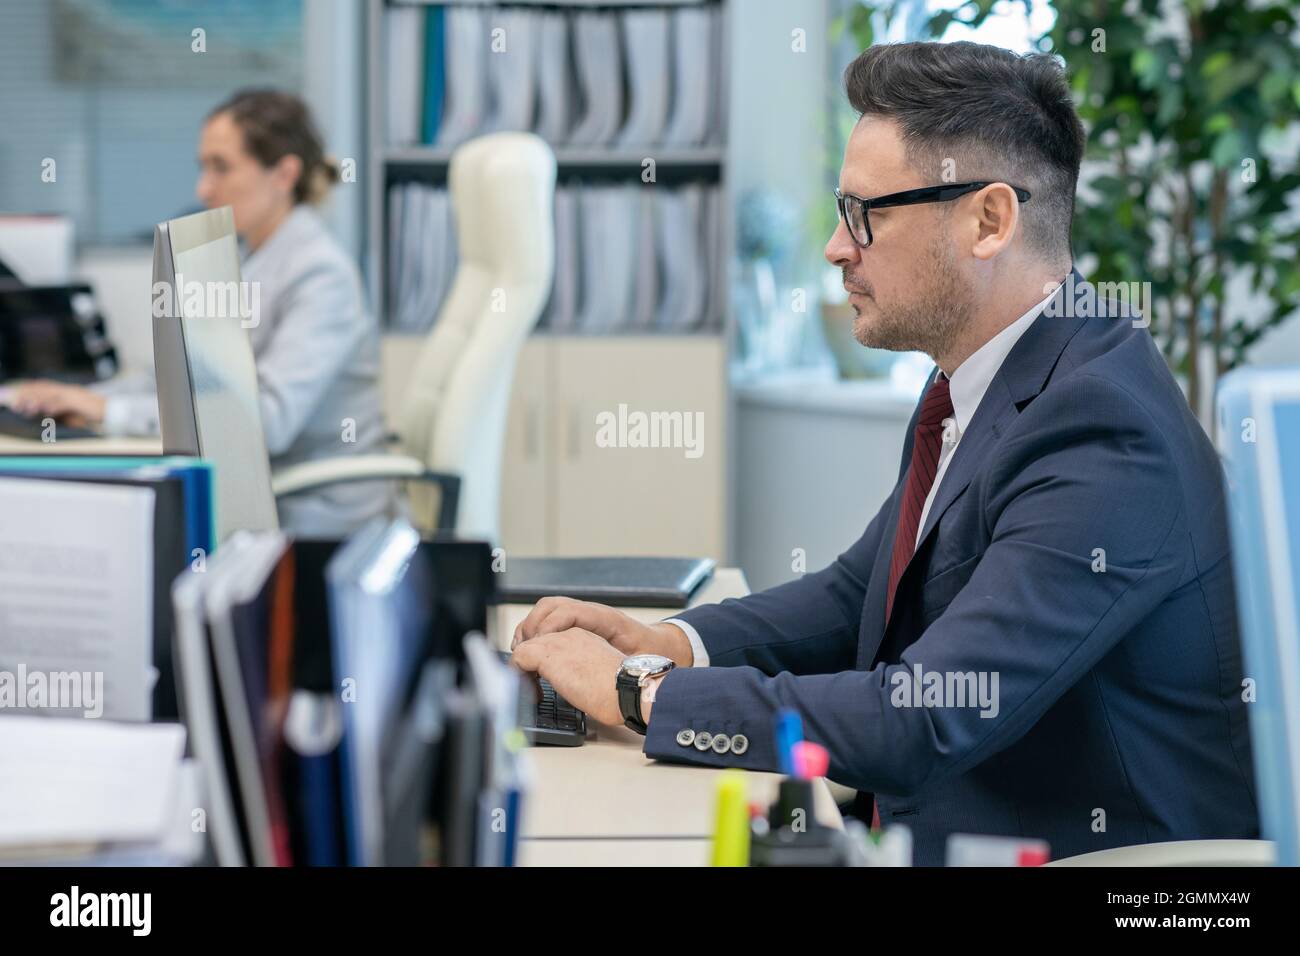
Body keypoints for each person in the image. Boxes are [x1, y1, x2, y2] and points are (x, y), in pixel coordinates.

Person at [509, 41, 1258, 865]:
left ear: (989, 220)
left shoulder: (1104, 430)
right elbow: (858, 594)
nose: (836, 247)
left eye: (866, 213)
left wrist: (637, 693)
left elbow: (921, 716)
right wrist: (670, 644)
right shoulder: (989, 376)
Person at [8, 89, 390, 535]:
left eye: (221, 167)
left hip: (315, 511)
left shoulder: (321, 274)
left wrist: (106, 412)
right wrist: (89, 397)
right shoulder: (253, 257)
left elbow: (265, 421)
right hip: (258, 487)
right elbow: (184, 376)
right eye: (203, 167)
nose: (203, 188)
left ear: (284, 173)